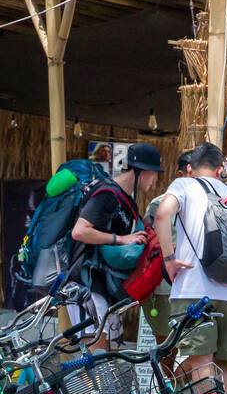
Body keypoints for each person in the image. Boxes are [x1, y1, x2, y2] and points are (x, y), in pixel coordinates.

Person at [153, 142, 227, 394]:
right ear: (220, 170)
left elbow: (162, 215)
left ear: (191, 168)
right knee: (224, 363)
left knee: (201, 362)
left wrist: (169, 259)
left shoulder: (183, 185)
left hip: (192, 291)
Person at [68, 142, 163, 349]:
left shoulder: (126, 200)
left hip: (102, 286)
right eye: (154, 174)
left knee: (109, 357)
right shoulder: (107, 194)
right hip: (86, 283)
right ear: (143, 171)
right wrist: (120, 239)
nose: (155, 181)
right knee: (95, 358)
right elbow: (80, 231)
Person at [141, 149, 193, 348]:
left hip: (195, 286)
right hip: (164, 288)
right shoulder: (159, 205)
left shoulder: (209, 204)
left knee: (197, 348)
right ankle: (169, 379)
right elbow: (150, 242)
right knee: (167, 347)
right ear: (181, 175)